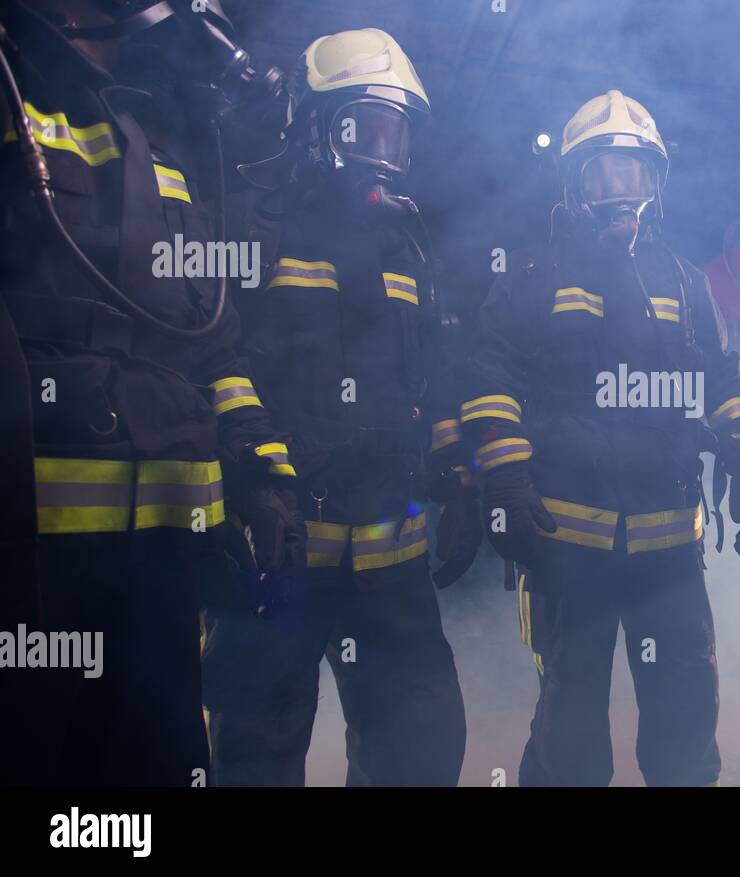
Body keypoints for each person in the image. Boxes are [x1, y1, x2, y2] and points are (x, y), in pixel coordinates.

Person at [0, 0, 300, 786]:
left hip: (164, 556)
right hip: (32, 563)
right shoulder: (13, 98)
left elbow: (211, 337)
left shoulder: (162, 139)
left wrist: (258, 465)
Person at [200, 29, 475, 787]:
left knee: (422, 748)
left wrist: (455, 470)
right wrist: (254, 474)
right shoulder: (248, 222)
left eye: (396, 133)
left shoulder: (407, 248)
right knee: (256, 755)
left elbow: (436, 375)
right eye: (364, 128)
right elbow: (211, 355)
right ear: (316, 128)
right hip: (277, 561)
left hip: (391, 563)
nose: (381, 153)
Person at [462, 90, 740, 786]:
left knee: (684, 722)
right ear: (574, 184)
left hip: (671, 552)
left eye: (633, 174)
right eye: (602, 175)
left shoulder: (685, 281)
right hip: (567, 547)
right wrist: (503, 474)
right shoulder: (530, 275)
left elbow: (720, 379)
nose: (620, 192)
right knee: (570, 725)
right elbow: (485, 372)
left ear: (656, 182)